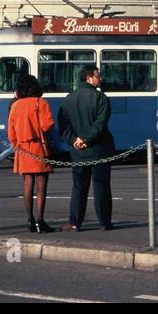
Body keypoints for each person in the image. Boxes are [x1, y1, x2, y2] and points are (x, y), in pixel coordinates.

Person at [58, 65, 114, 231]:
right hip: (99, 149)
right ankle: (104, 222)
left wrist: (75, 140)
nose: (100, 79)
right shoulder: (101, 98)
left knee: (79, 187)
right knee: (101, 186)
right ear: (89, 78)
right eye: (97, 76)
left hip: (78, 152)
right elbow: (100, 124)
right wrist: (87, 139)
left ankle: (75, 221)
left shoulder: (68, 99)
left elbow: (63, 125)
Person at [6, 75, 56, 233]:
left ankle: (29, 220)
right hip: (38, 148)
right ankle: (40, 221)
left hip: (23, 148)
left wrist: (17, 145)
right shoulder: (40, 103)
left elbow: (11, 132)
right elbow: (47, 125)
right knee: (42, 186)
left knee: (27, 184)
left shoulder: (15, 105)